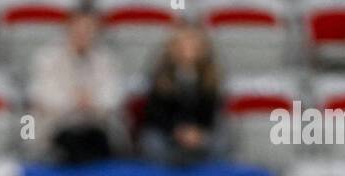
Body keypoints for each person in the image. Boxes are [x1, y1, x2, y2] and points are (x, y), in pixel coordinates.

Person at [29, 4, 123, 165]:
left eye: (89, 29)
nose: (84, 34)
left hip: (95, 126)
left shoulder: (106, 59)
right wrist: (73, 100)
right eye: (79, 28)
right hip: (59, 127)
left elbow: (114, 95)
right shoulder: (47, 57)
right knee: (71, 146)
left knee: (100, 144)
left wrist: (92, 101)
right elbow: (41, 95)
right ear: (68, 28)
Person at [137, 21, 221, 166]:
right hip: (168, 134)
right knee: (151, 142)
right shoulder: (161, 75)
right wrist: (177, 132)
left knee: (221, 140)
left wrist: (197, 133)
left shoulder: (210, 77)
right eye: (183, 45)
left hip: (198, 135)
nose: (188, 51)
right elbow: (155, 113)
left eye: (193, 46)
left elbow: (211, 114)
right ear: (174, 48)